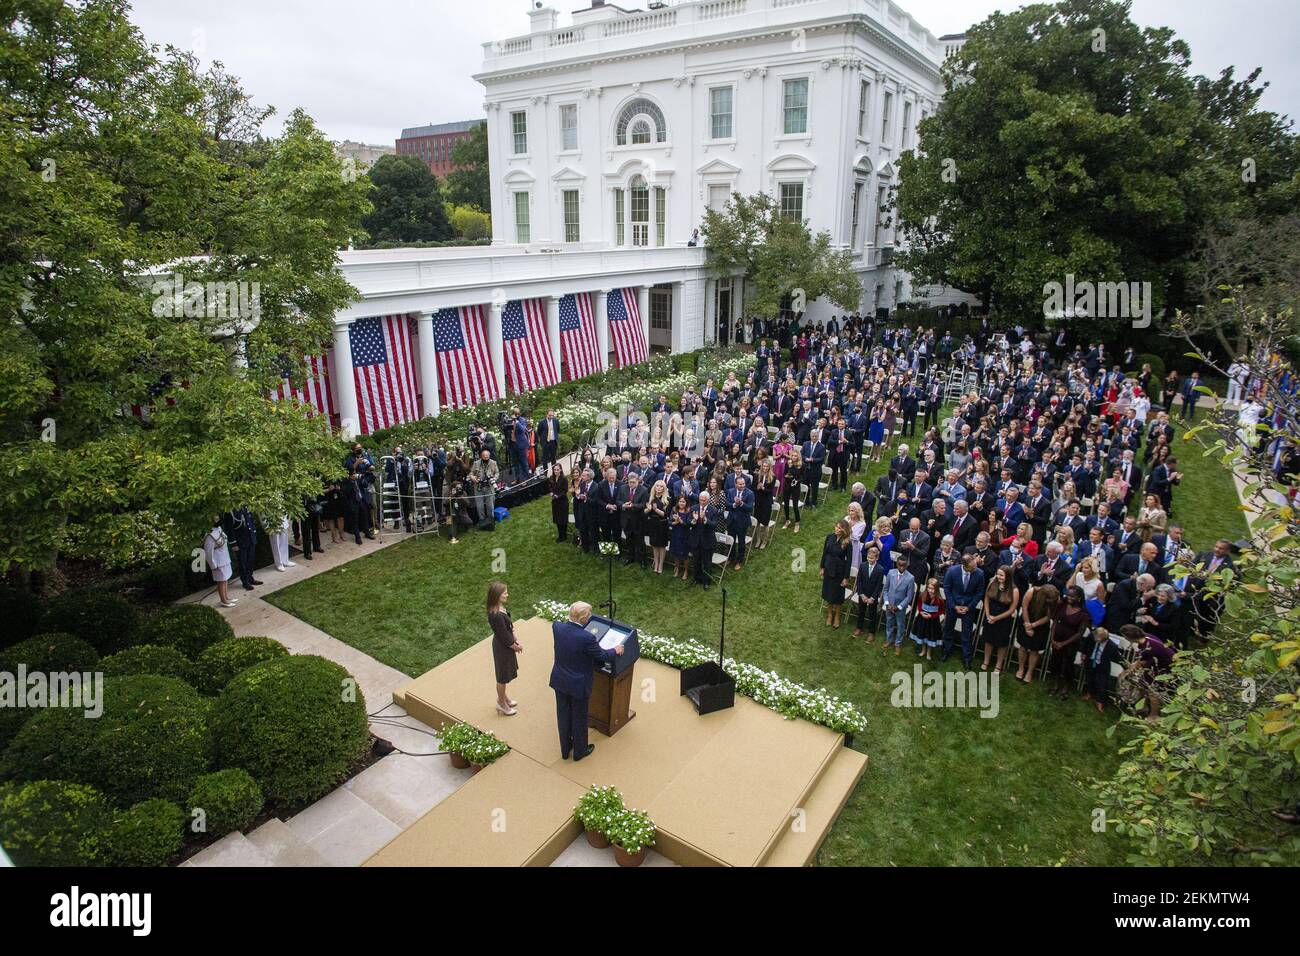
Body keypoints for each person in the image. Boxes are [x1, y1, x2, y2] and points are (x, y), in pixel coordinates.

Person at [549, 601, 623, 761]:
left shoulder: (557, 627)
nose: (590, 617)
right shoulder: (586, 638)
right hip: (578, 685)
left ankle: (565, 749)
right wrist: (615, 650)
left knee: (563, 715)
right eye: (588, 615)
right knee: (579, 717)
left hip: (560, 680)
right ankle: (580, 751)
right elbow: (602, 656)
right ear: (583, 618)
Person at [941, 552, 985, 667]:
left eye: (975, 565)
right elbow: (947, 589)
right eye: (973, 567)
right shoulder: (952, 571)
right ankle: (946, 651)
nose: (975, 568)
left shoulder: (979, 574)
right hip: (953, 606)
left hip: (968, 608)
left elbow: (979, 592)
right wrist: (953, 605)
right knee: (948, 629)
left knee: (967, 633)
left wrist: (969, 607)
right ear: (965, 566)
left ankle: (967, 658)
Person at [487, 581, 522, 716]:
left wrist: (516, 639)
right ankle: (501, 704)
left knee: (506, 674)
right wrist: (515, 646)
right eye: (505, 593)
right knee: (502, 677)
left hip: (505, 645)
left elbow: (509, 628)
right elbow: (503, 635)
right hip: (502, 647)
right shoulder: (495, 614)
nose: (507, 594)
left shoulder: (500, 608)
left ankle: (504, 698)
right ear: (497, 595)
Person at [1048, 586, 1089, 699]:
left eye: (1072, 596)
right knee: (1055, 662)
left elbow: (1079, 633)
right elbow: (1055, 621)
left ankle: (1065, 687)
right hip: (1056, 639)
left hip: (1071, 643)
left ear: (1079, 598)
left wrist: (1063, 643)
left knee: (1067, 665)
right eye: (1068, 595)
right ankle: (1055, 685)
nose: (1069, 597)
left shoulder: (1084, 614)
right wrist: (1052, 638)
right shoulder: (1062, 605)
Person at [1015, 583, 1059, 684]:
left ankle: (1030, 672)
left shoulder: (1055, 598)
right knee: (1023, 647)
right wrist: (1027, 624)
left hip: (1041, 625)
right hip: (1027, 618)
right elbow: (1024, 607)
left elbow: (1049, 616)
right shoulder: (1032, 591)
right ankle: (1021, 669)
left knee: (1035, 650)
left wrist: (1033, 625)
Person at [980, 565, 1019, 673]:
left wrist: (996, 618)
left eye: (1001, 575)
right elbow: (986, 598)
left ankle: (998, 664)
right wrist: (987, 614)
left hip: (1004, 618)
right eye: (998, 574)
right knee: (988, 639)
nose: (999, 576)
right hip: (990, 615)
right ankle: (986, 661)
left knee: (1002, 642)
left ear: (1008, 576)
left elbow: (1012, 609)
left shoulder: (1014, 590)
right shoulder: (993, 583)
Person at [819, 519, 853, 629]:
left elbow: (849, 561)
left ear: (844, 530)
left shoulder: (847, 542)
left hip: (839, 571)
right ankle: (829, 614)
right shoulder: (830, 537)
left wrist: (846, 577)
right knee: (828, 592)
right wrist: (822, 567)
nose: (837, 529)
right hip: (828, 568)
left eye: (840, 528)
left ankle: (837, 616)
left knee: (837, 595)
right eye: (836, 527)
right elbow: (825, 552)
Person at [202, 517, 238, 608]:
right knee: (221, 581)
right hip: (218, 562)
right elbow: (208, 552)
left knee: (225, 579)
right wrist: (213, 565)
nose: (217, 519)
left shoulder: (219, 529)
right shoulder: (209, 535)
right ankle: (223, 600)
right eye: (215, 518)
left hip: (224, 558)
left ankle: (226, 597)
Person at [645, 479, 672, 574]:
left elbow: (665, 514)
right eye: (657, 486)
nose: (659, 488)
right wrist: (648, 510)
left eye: (661, 486)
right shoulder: (650, 497)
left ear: (664, 488)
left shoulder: (667, 499)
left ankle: (661, 564)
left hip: (662, 524)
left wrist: (655, 509)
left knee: (661, 545)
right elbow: (645, 512)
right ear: (654, 487)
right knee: (654, 545)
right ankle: (656, 563)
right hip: (652, 523)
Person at [669, 495, 693, 579]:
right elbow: (669, 522)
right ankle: (677, 568)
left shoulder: (689, 511)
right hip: (675, 534)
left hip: (685, 535)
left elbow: (688, 524)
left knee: (685, 554)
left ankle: (686, 570)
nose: (681, 503)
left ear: (686, 502)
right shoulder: (674, 509)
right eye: (680, 501)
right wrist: (675, 522)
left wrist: (680, 521)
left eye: (683, 501)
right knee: (676, 553)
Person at [548, 463, 569, 543]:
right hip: (555, 502)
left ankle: (564, 535)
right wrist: (551, 492)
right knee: (557, 519)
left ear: (561, 469)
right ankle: (560, 535)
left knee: (563, 519)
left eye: (558, 469)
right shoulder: (551, 478)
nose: (556, 471)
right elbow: (549, 487)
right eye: (555, 469)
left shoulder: (564, 479)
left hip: (563, 502)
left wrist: (558, 496)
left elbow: (565, 490)